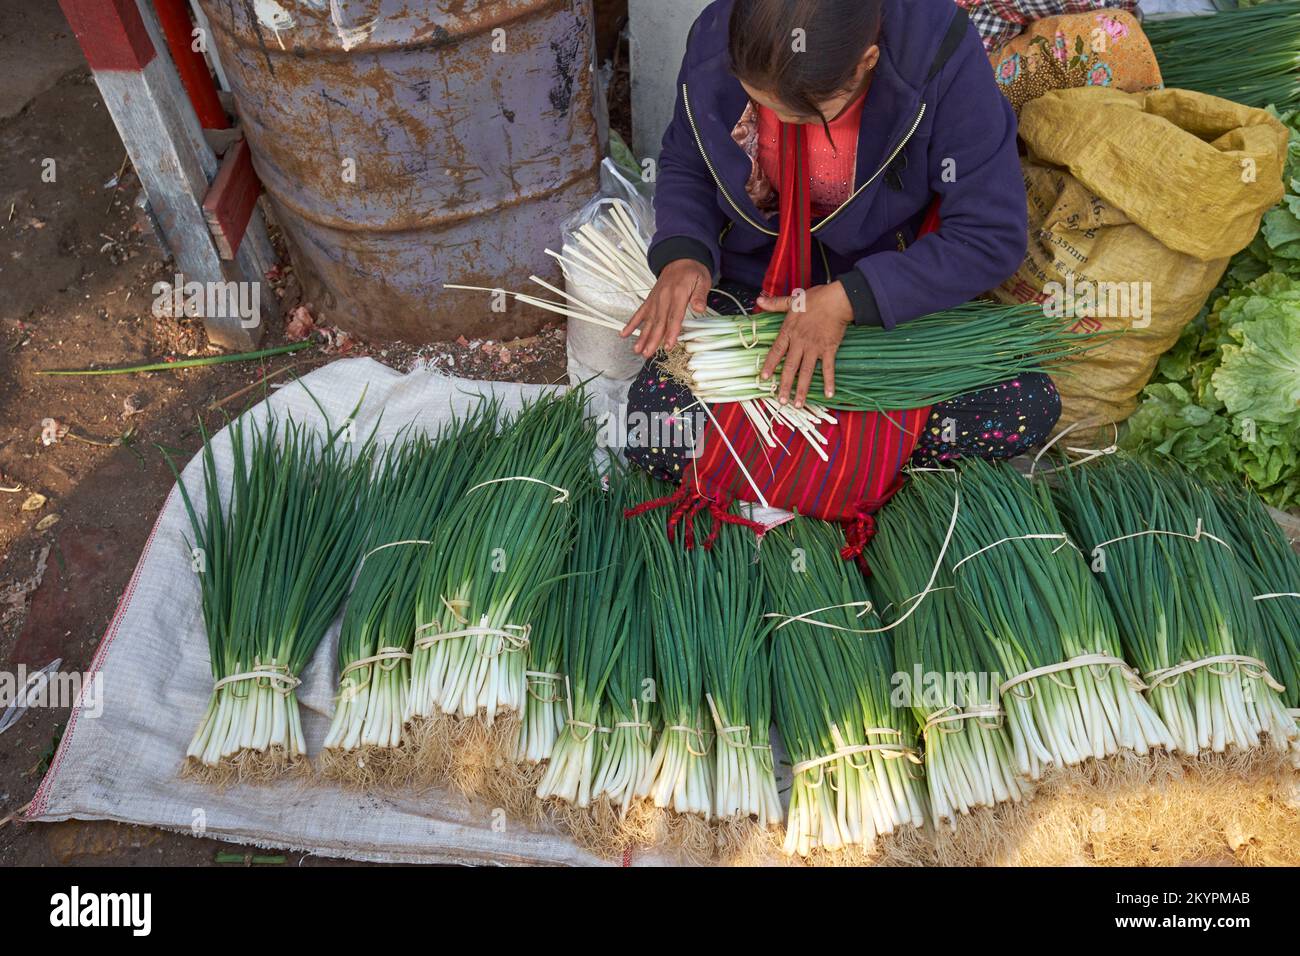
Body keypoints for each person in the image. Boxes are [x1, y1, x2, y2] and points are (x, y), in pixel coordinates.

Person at [621, 0, 1061, 484]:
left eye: (805, 117)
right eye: (762, 106)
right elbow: (688, 160)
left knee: (1025, 404)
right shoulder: (721, 35)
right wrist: (685, 252)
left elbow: (988, 235)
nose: (779, 127)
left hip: (888, 296)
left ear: (865, 62)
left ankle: (779, 458)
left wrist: (848, 300)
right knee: (654, 428)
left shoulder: (937, 52)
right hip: (763, 292)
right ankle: (865, 459)